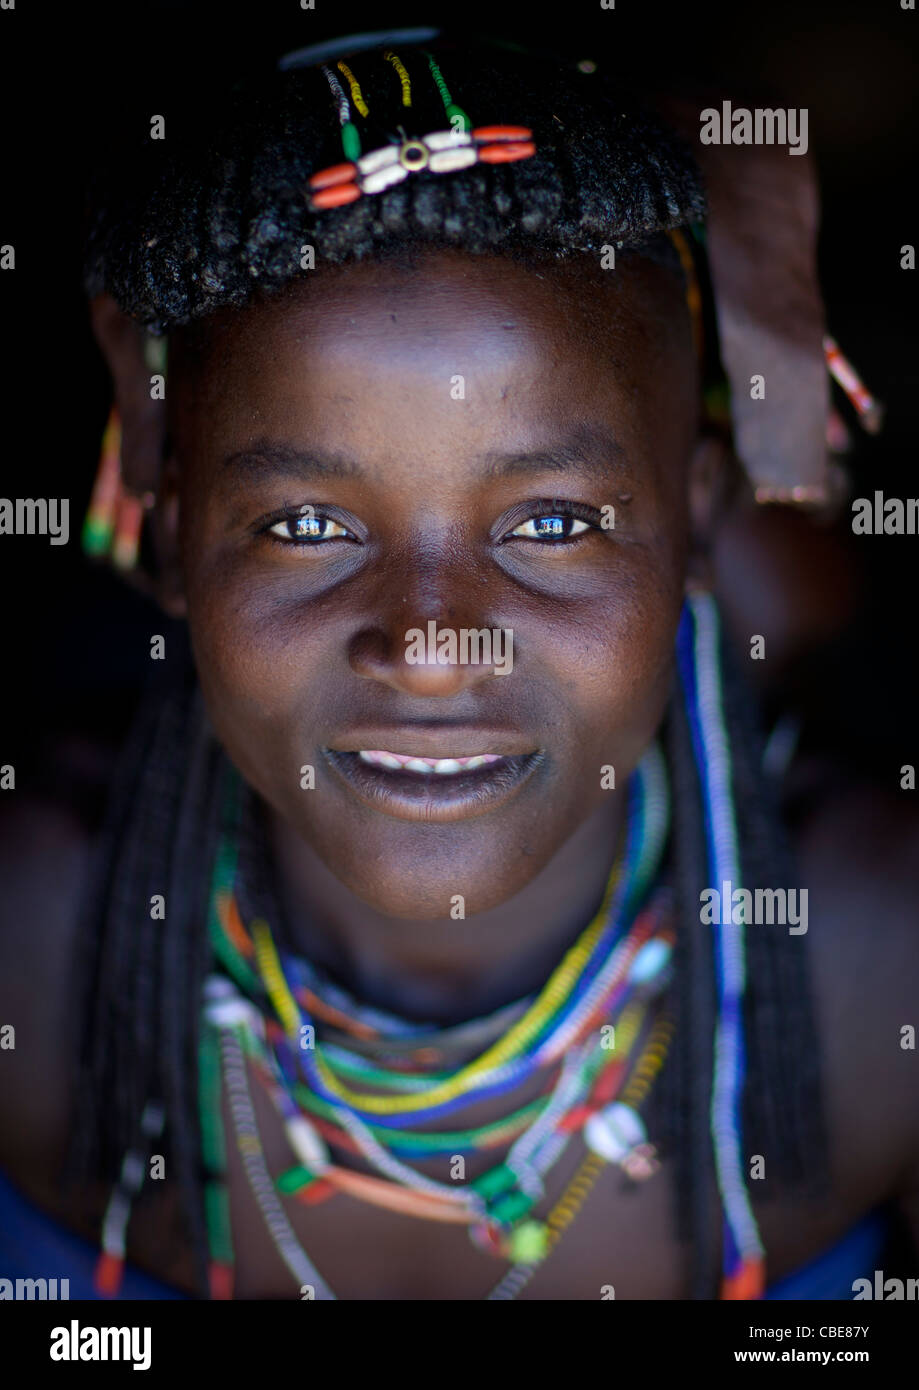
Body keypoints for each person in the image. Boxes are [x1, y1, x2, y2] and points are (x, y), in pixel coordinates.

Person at [1, 28, 916, 1302]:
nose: (429, 649)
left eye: (550, 524)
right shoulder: (34, 945)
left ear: (701, 521)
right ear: (167, 531)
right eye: (307, 525)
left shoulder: (880, 964)